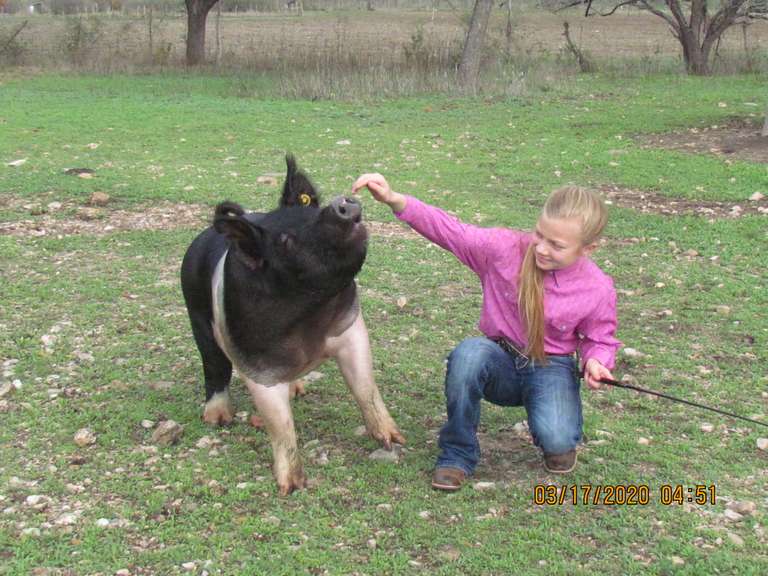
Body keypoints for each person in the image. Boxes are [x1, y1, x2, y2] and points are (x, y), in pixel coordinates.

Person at [351, 174, 621, 491]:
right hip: (501, 361)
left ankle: (553, 424)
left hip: (552, 367)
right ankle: (457, 453)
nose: (542, 248)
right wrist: (395, 199)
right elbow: (451, 231)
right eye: (540, 235)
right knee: (468, 354)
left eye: (557, 245)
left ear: (588, 248)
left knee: (558, 441)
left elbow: (599, 337)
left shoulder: (597, 287)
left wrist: (597, 361)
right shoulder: (503, 249)